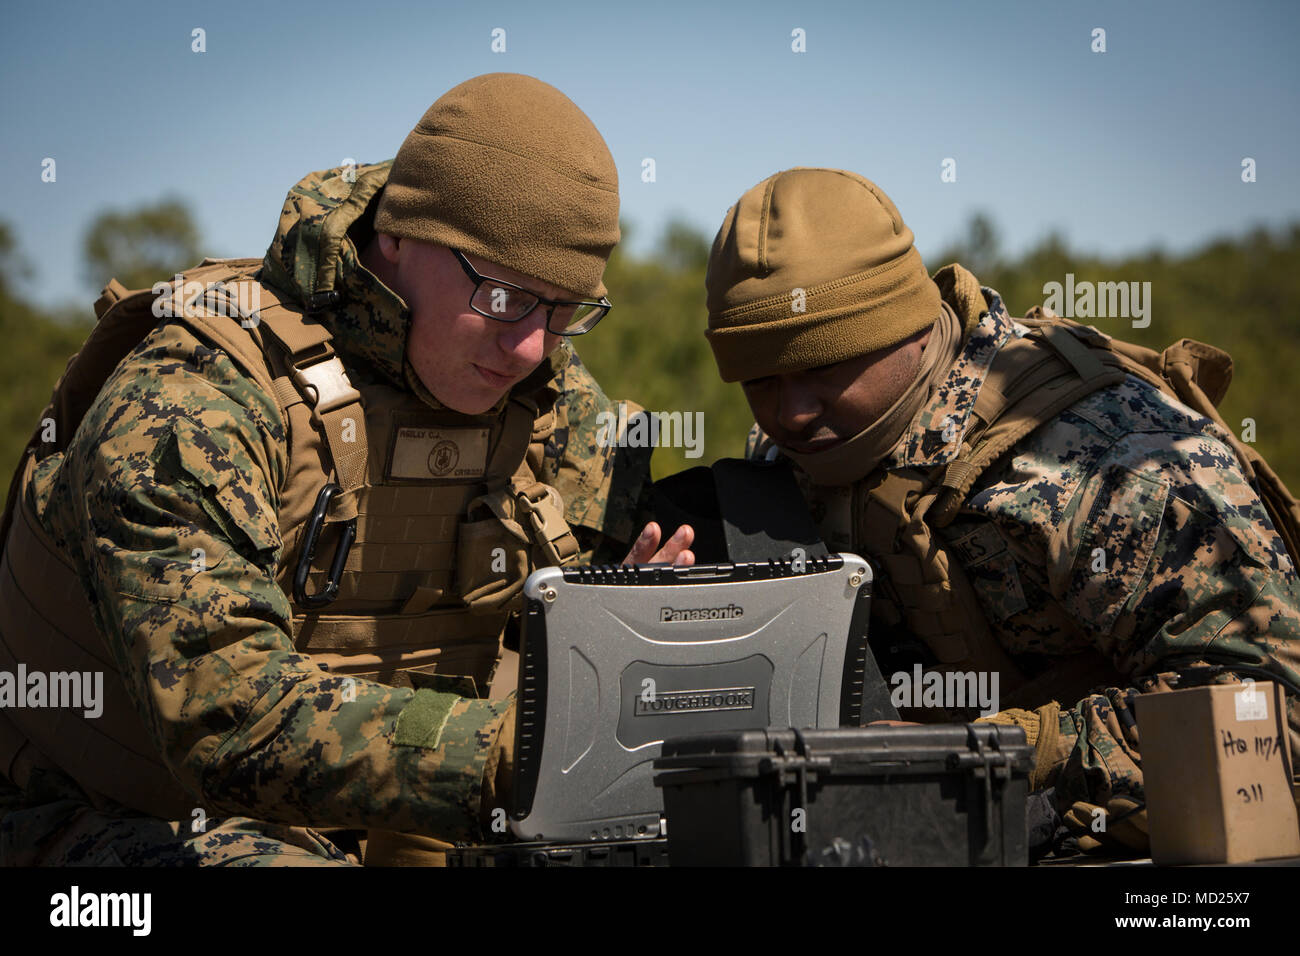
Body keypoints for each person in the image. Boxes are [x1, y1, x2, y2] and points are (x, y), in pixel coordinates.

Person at [0, 73, 692, 867]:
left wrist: (608, 632)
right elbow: (225, 715)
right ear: (397, 237)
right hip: (108, 821)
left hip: (402, 829)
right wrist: (513, 754)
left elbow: (532, 669)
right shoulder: (193, 399)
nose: (533, 344)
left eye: (565, 309)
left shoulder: (546, 400)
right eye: (505, 295)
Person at [700, 166, 1300, 855]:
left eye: (822, 367)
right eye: (759, 380)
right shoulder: (789, 464)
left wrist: (991, 755)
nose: (792, 413)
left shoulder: (1109, 458)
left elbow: (1267, 712)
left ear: (909, 328)